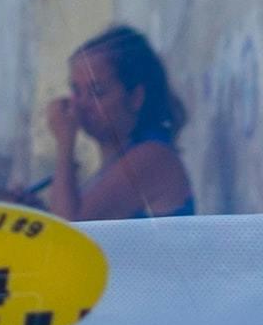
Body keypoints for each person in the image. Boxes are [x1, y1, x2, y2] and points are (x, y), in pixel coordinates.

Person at [35, 26, 196, 217]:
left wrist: (65, 143)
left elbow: (71, 229)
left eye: (97, 92)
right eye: (77, 91)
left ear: (136, 97)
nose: (80, 105)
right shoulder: (116, 162)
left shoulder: (151, 156)